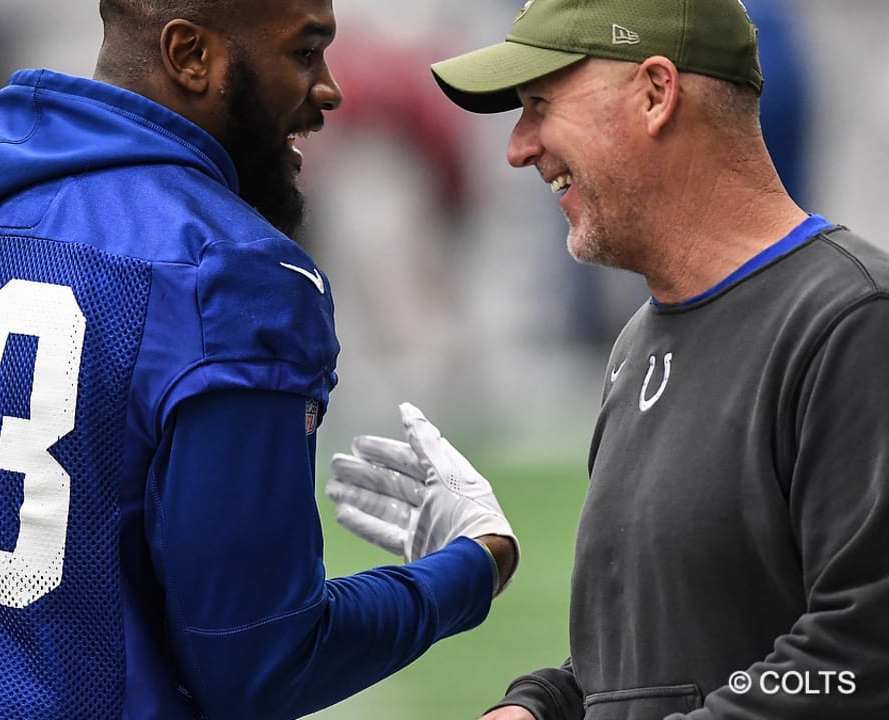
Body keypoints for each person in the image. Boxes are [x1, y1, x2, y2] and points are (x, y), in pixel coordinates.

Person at [0, 1, 518, 718]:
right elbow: (260, 660)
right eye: (304, 51)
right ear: (190, 56)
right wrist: (468, 566)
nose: (329, 88)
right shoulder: (228, 270)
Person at [329, 0, 889, 717]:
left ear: (656, 93)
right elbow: (643, 664)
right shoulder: (639, 346)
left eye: (540, 104)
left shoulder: (851, 322)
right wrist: (537, 707)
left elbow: (860, 658)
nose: (518, 146)